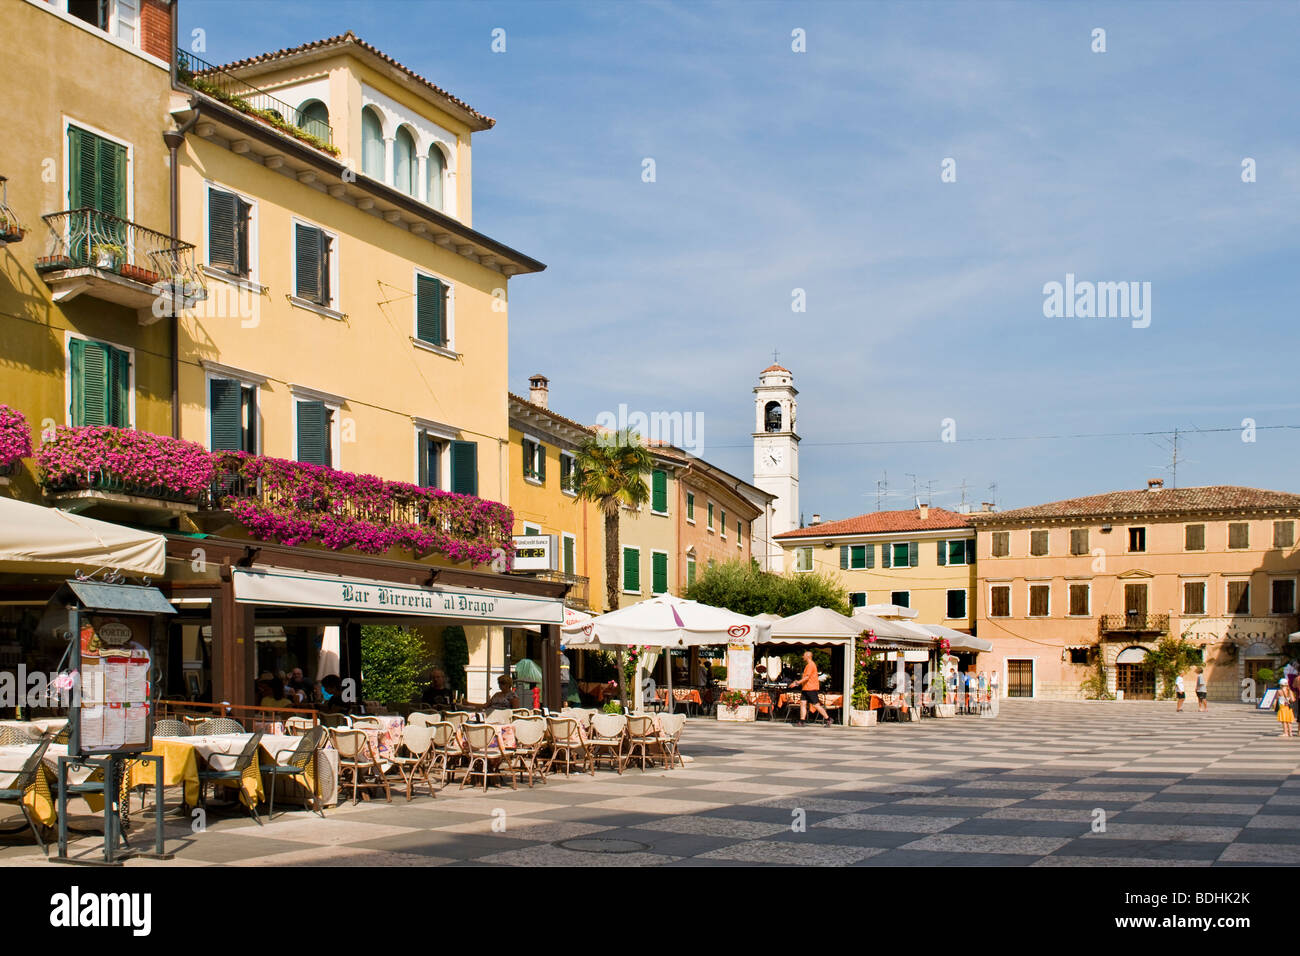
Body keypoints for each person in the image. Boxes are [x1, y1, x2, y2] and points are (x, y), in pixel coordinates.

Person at [796, 651, 832, 727]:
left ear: (808, 656)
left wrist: (798, 682)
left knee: (816, 705)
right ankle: (802, 720)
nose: (803, 657)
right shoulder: (808, 665)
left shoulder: (811, 665)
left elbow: (807, 677)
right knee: (802, 703)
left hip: (811, 688)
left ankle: (828, 719)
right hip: (805, 688)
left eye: (804, 655)